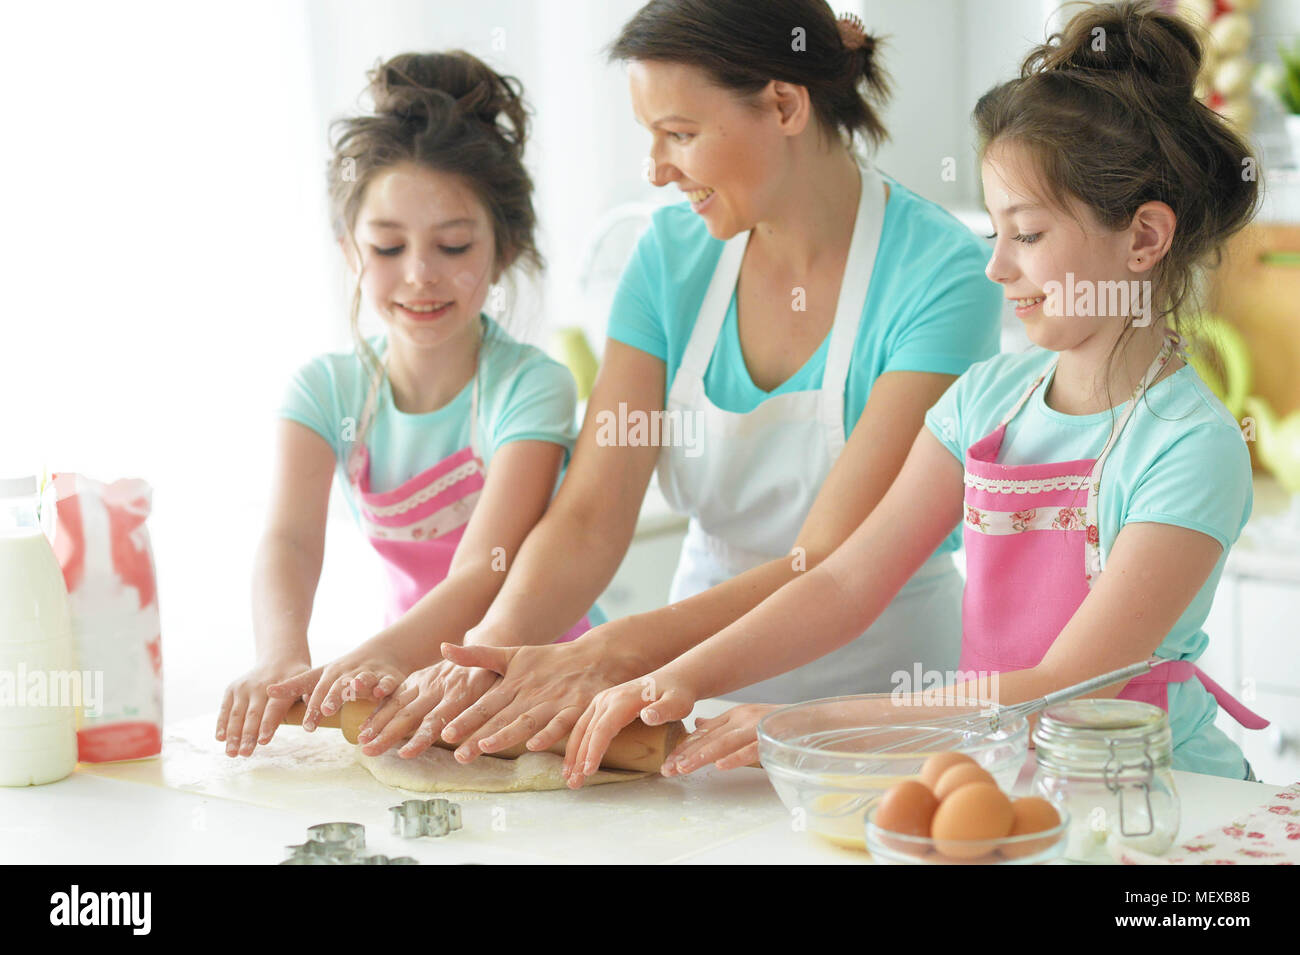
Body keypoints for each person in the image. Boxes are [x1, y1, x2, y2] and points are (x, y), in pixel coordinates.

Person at [561, 0, 1270, 785]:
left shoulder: (1189, 444)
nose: (997, 267)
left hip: (1161, 801)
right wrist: (683, 674)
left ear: (1144, 237)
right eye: (995, 232)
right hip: (1000, 784)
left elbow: (1065, 686)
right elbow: (839, 580)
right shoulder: (982, 401)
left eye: (1027, 236)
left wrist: (815, 721)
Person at [353, 0, 1002, 763]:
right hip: (689, 693)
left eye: (680, 135)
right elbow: (592, 514)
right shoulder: (667, 257)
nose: (656, 169)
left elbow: (827, 559)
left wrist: (618, 651)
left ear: (785, 104)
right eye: (649, 137)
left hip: (877, 705)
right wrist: (490, 650)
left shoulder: (943, 276)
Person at [215, 51, 594, 757]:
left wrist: (383, 653)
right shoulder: (325, 390)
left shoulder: (529, 386)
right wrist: (282, 654)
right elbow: (289, 541)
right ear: (349, 251)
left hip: (539, 677)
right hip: (402, 681)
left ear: (504, 249)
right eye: (387, 246)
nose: (419, 275)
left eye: (453, 245)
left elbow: (490, 567)